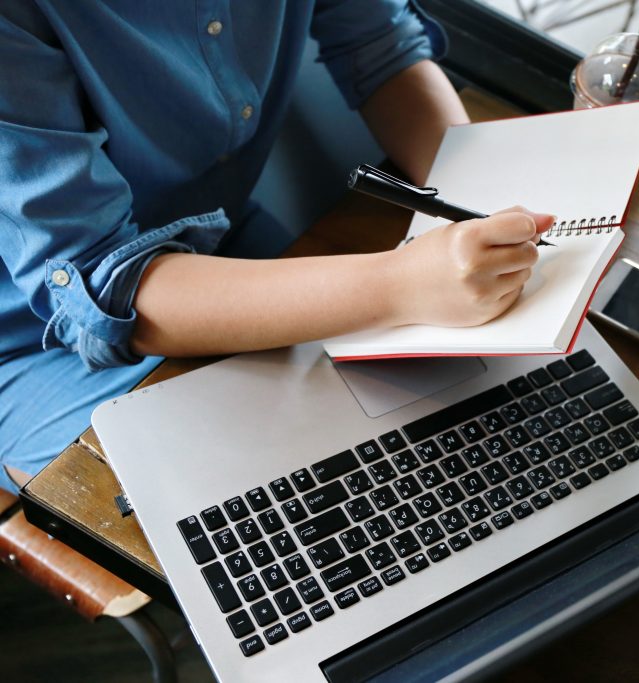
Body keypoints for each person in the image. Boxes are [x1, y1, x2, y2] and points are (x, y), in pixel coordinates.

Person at [0, 1, 552, 493]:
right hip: (34, 342)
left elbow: (379, 42)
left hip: (219, 247)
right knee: (310, 500)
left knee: (460, 422)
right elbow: (100, 289)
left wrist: (483, 202)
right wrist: (399, 286)